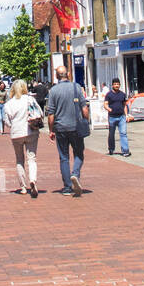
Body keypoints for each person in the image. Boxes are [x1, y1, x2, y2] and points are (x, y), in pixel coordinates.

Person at [45, 65, 90, 196]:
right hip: (75, 126)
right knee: (79, 154)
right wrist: (86, 121)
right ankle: (75, 173)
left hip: (60, 128)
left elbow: (51, 114)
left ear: (57, 76)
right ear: (68, 74)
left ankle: (67, 187)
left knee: (64, 157)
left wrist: (51, 130)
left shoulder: (53, 91)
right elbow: (84, 109)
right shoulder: (76, 87)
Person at [3, 78, 40, 197]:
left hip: (16, 133)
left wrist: (13, 125)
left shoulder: (9, 104)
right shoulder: (30, 99)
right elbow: (39, 113)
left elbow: (6, 121)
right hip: (31, 131)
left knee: (19, 160)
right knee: (32, 158)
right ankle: (33, 180)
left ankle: (23, 187)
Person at [104, 78, 132, 157]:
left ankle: (125, 151)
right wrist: (108, 109)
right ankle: (111, 148)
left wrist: (126, 115)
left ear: (119, 85)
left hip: (121, 117)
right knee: (111, 134)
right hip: (112, 117)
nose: (116, 85)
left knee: (123, 133)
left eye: (118, 84)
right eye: (115, 84)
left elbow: (124, 105)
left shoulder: (122, 94)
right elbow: (105, 104)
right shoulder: (109, 94)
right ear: (112, 85)